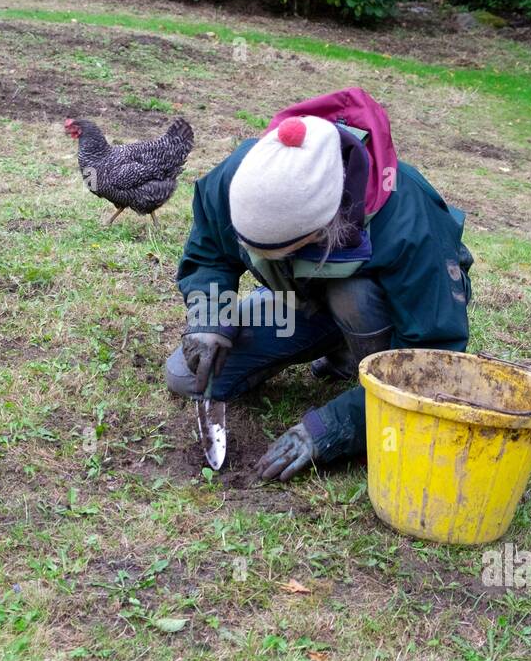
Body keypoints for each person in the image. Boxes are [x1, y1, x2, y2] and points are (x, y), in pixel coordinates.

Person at [166, 87, 473, 481]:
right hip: (301, 301)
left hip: (389, 313)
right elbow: (210, 250)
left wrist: (331, 430)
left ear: (327, 229)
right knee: (186, 375)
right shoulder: (243, 173)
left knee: (354, 295)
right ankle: (333, 343)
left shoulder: (407, 220)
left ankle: (363, 371)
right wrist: (210, 318)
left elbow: (432, 358)